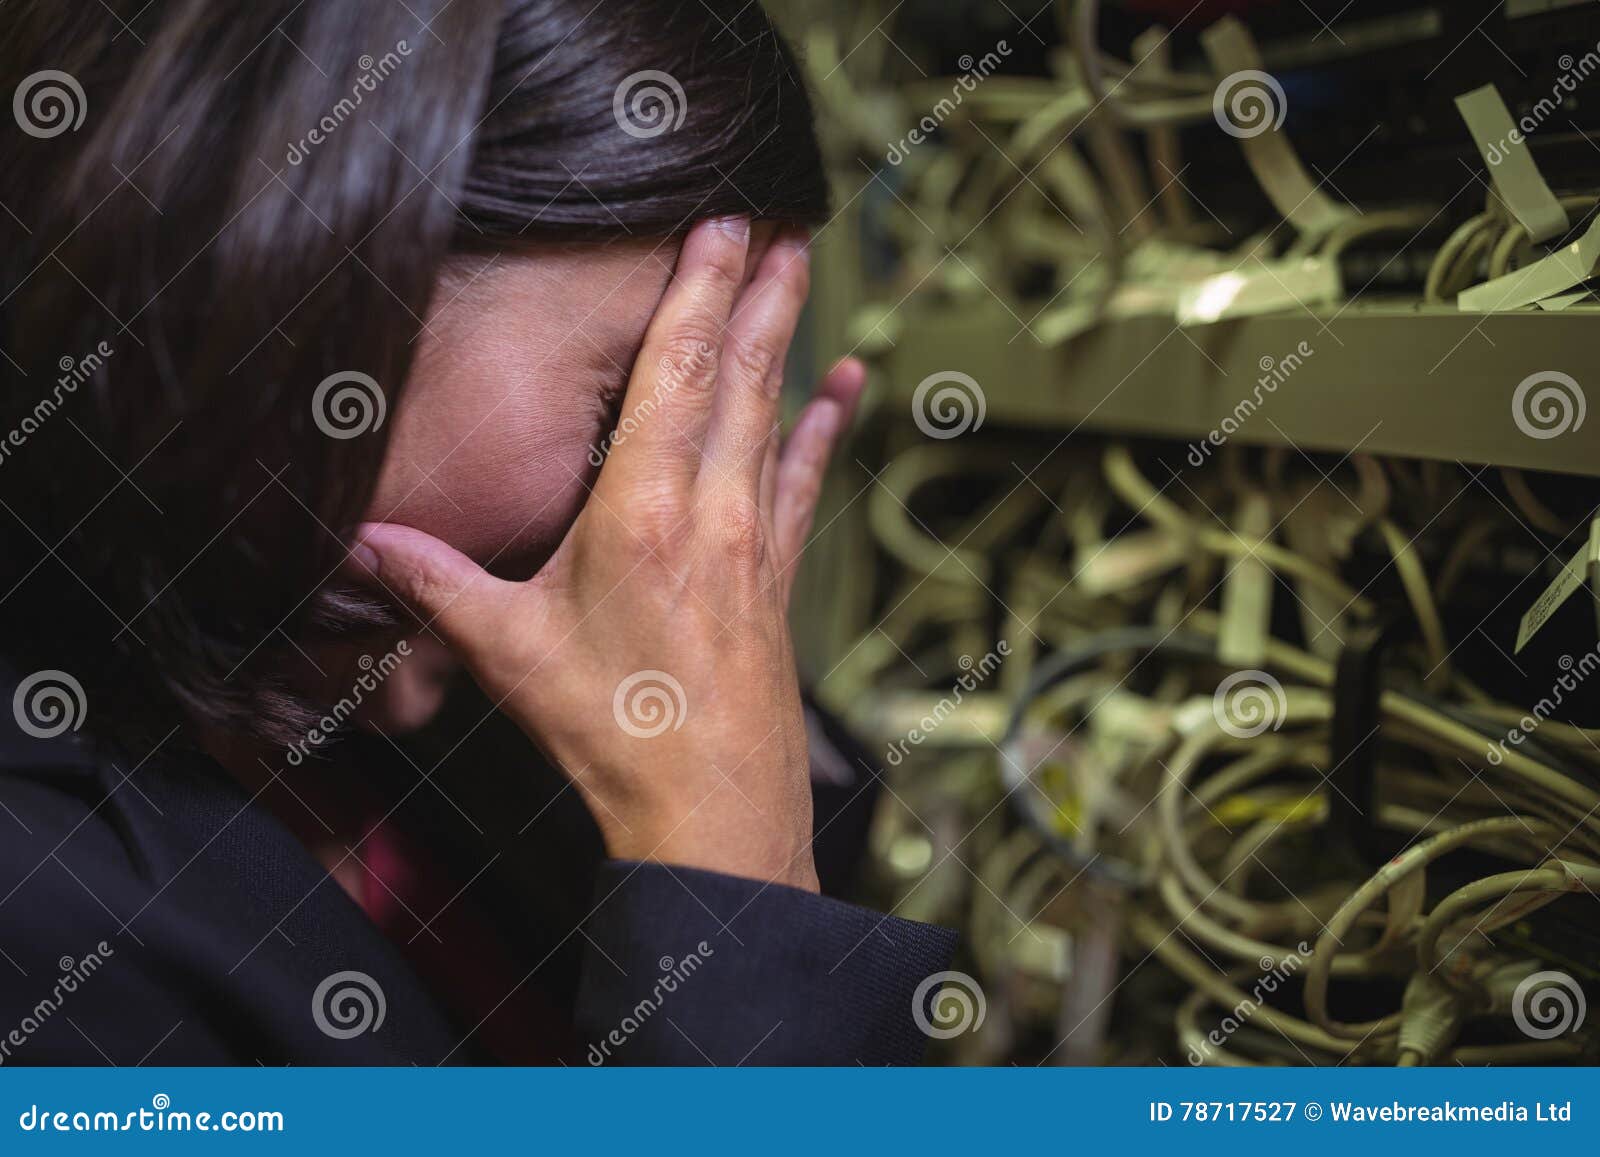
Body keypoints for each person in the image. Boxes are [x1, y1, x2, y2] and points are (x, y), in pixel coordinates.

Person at [0, 0, 954, 1064]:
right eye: (628, 396)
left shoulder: (428, 687)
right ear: (290, 280)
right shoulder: (47, 929)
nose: (664, 494)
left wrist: (728, 768)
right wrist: (737, 895)